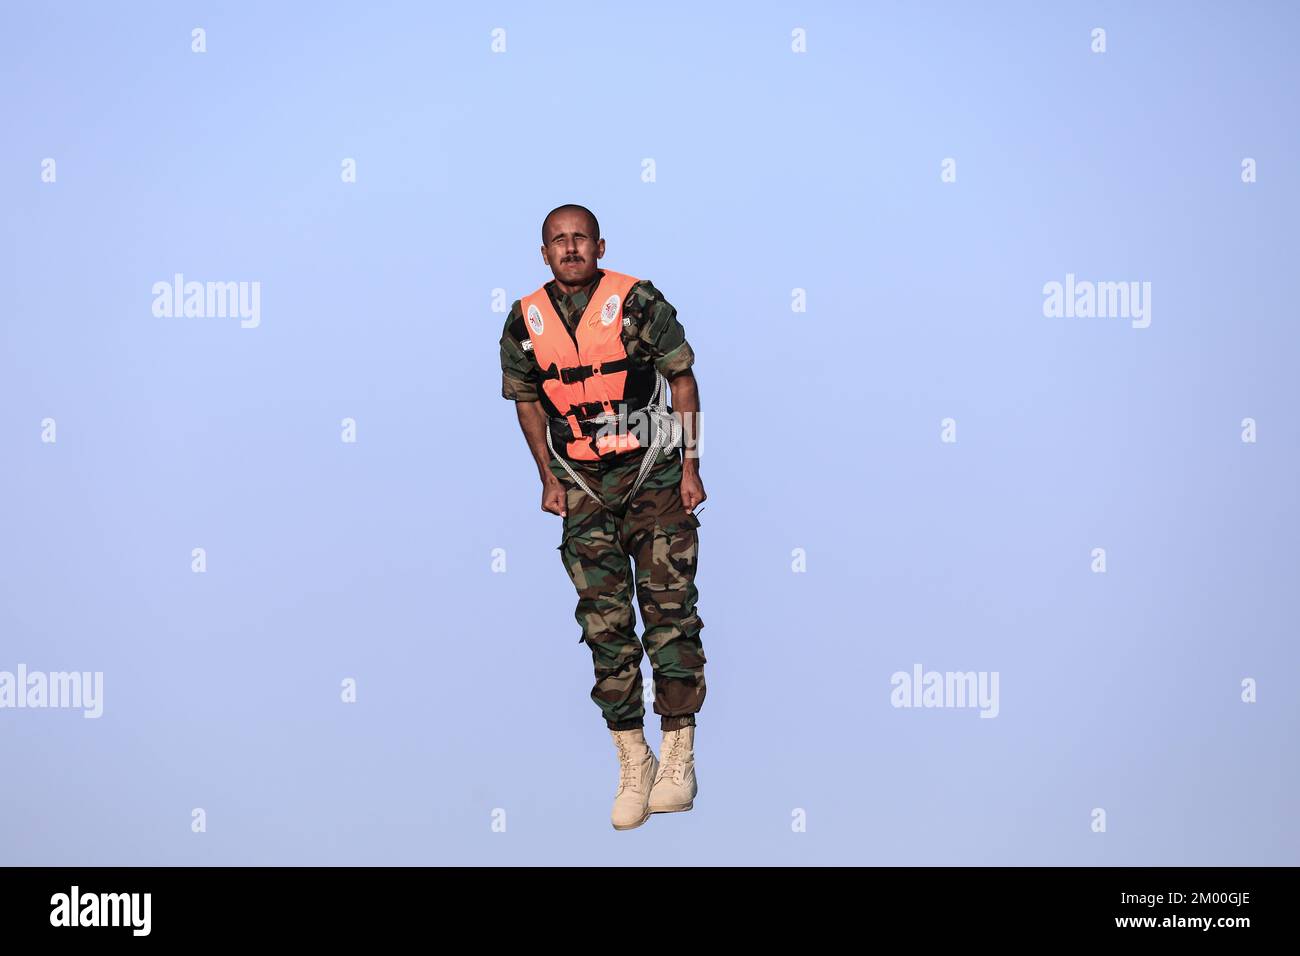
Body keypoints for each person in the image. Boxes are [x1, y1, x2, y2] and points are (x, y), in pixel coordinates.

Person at [498, 204, 708, 830]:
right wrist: (546, 478)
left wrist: (692, 467)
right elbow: (528, 401)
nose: (570, 249)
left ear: (599, 245)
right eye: (558, 242)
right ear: (544, 253)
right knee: (604, 625)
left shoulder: (637, 302)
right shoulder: (523, 321)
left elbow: (684, 380)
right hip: (582, 484)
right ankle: (631, 755)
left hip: (653, 476)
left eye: (580, 239)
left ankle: (678, 753)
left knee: (669, 611)